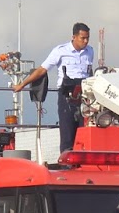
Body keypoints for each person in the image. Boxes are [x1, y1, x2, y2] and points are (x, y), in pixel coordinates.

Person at [13, 22, 95, 155]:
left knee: (83, 129)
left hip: (84, 94)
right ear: (74, 37)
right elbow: (42, 70)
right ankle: (67, 161)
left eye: (87, 38)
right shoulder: (60, 51)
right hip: (67, 94)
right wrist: (22, 84)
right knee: (67, 129)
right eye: (82, 38)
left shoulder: (90, 51)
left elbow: (89, 72)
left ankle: (81, 159)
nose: (85, 41)